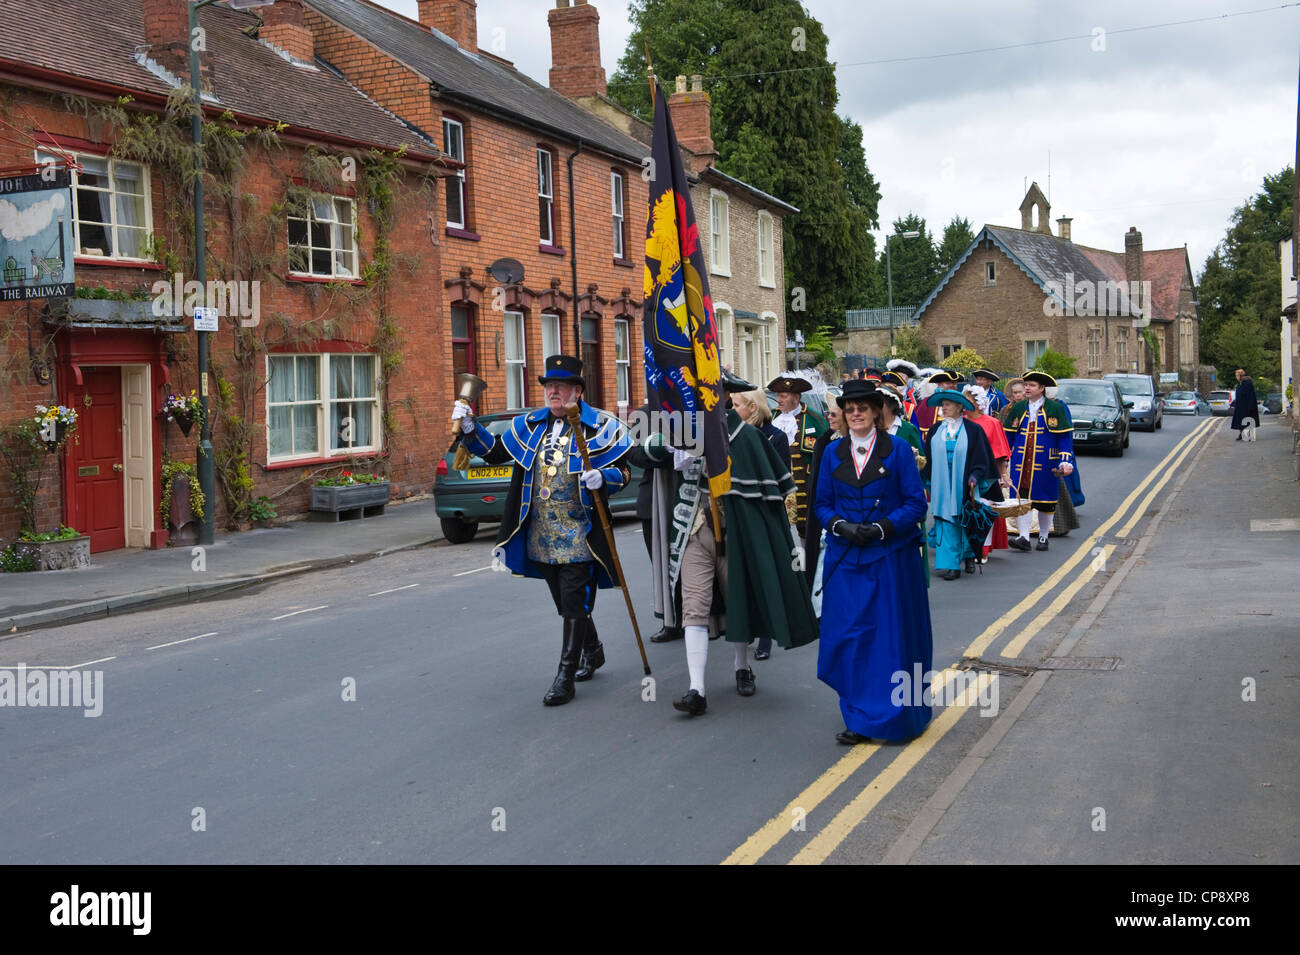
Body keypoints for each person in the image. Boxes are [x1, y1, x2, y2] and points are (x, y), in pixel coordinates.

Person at [453, 355, 631, 706]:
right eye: (549, 386)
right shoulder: (530, 425)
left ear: (577, 392)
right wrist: (471, 428)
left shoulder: (600, 427)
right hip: (540, 533)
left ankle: (565, 675)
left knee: (574, 597)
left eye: (560, 386)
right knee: (565, 601)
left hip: (580, 531)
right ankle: (592, 649)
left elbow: (624, 472)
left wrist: (605, 478)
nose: (552, 392)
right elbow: (494, 453)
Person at [640, 373, 818, 716]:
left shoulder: (748, 436)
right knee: (694, 605)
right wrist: (672, 445)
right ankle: (697, 688)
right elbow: (641, 450)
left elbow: (773, 491)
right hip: (694, 530)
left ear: (723, 396)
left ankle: (741, 666)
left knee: (737, 600)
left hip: (735, 533)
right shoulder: (683, 432)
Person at [815, 379, 933, 744]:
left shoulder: (897, 450)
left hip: (890, 560)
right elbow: (821, 504)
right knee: (850, 638)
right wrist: (840, 526)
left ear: (876, 412)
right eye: (849, 409)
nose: (855, 414)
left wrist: (883, 528)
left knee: (889, 639)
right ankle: (858, 716)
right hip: (846, 558)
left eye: (862, 408)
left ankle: (897, 716)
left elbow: (916, 504)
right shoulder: (832, 452)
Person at [732, 387, 796, 660]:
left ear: (752, 408)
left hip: (765, 513)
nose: (731, 410)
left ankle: (767, 636)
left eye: (736, 405)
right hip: (739, 514)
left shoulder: (775, 436)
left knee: (766, 574)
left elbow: (777, 477)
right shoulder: (731, 436)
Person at [921, 389, 997, 580]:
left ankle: (970, 556)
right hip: (941, 483)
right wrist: (925, 477)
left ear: (959, 407)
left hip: (964, 483)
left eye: (947, 404)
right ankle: (951, 566)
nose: (943, 408)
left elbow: (982, 457)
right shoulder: (936, 430)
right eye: (943, 404)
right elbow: (928, 459)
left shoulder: (973, 430)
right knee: (946, 522)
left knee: (965, 520)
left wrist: (975, 475)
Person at [629, 400, 683, 644]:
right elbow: (634, 453)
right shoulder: (644, 413)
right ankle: (671, 620)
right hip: (656, 498)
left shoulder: (694, 409)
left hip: (690, 493)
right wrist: (661, 451)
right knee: (661, 562)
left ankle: (698, 616)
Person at [1003, 371, 1074, 552]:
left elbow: (1064, 438)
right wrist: (1002, 460)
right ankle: (1024, 537)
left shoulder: (1055, 409)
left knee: (1046, 500)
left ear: (1042, 388)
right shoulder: (1018, 409)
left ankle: (1043, 537)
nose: (1027, 388)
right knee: (1022, 500)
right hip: (1021, 463)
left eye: (1032, 385)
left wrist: (1065, 460)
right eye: (1026, 385)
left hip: (1046, 462)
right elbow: (1008, 437)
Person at [767, 375, 829, 535]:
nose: (778, 400)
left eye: (783, 396)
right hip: (777, 481)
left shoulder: (814, 419)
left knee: (806, 529)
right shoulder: (771, 417)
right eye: (778, 396)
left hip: (804, 486)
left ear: (796, 397)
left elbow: (826, 451)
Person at [961, 384, 1012, 560]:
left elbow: (1000, 454)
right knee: (966, 511)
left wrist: (1004, 475)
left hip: (987, 475)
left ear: (977, 402)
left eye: (967, 400)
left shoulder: (992, 423)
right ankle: (966, 547)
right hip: (963, 473)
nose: (963, 404)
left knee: (983, 510)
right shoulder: (960, 422)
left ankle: (983, 548)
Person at [1231, 369, 1259, 441]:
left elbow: (1250, 395)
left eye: (1237, 375)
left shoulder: (1247, 383)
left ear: (1241, 375)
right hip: (1240, 406)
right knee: (1240, 421)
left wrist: (1250, 406)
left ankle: (1248, 435)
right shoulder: (1240, 383)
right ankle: (1242, 434)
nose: (1236, 377)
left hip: (1246, 406)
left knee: (1247, 421)